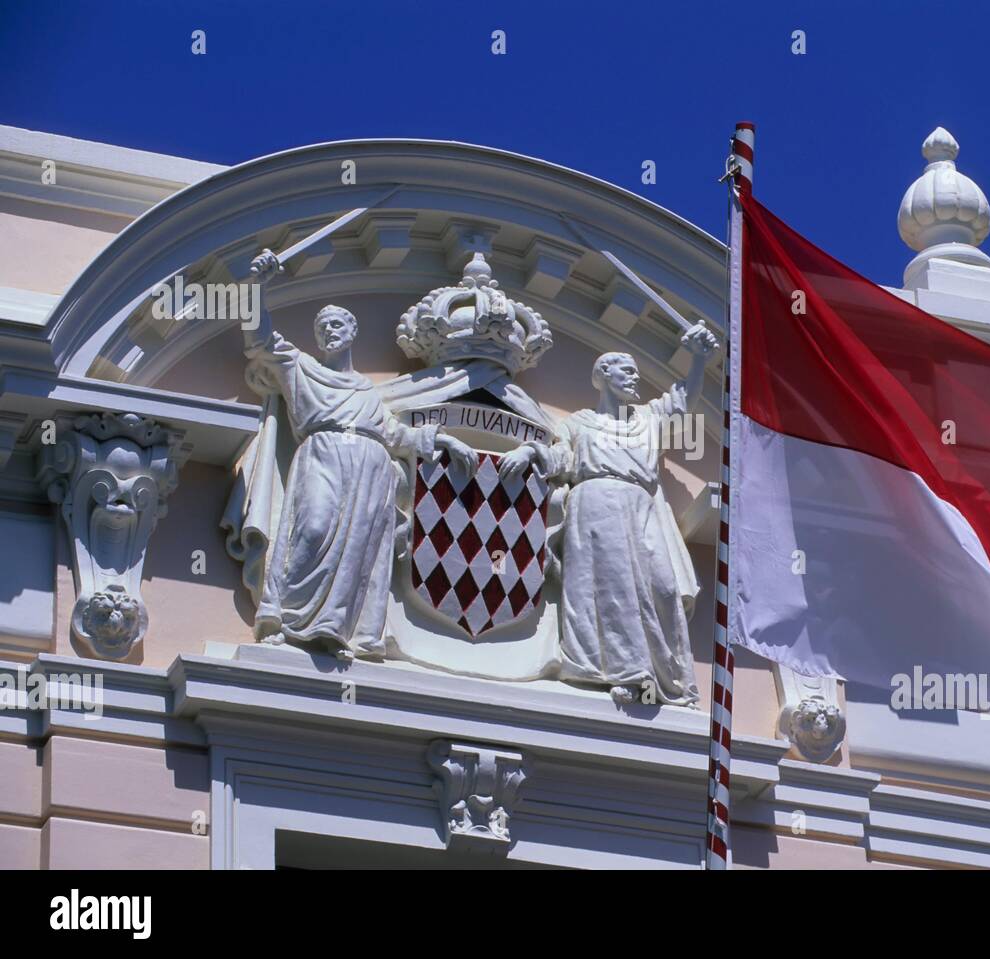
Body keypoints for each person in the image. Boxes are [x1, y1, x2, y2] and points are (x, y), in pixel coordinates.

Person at [242, 249, 477, 660]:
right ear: (317, 338)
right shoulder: (301, 368)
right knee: (312, 528)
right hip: (324, 453)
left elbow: (394, 434)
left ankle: (336, 627)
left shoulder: (367, 390)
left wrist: (444, 441)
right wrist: (255, 287)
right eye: (324, 326)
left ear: (352, 333)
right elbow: (258, 337)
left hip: (370, 466)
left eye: (339, 324)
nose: (331, 331)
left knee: (358, 550)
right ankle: (285, 617)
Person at [499, 322, 719, 704]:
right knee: (607, 588)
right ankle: (623, 671)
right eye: (627, 371)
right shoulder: (580, 423)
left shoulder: (648, 419)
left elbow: (684, 400)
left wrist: (699, 357)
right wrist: (529, 452)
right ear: (603, 375)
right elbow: (562, 460)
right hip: (594, 503)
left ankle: (664, 676)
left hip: (640, 505)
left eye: (635, 371)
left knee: (663, 588)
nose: (635, 378)